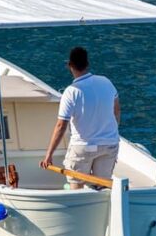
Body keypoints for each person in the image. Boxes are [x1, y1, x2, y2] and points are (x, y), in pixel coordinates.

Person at [40, 47, 121, 189]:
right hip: (109, 144)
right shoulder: (106, 82)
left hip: (83, 146)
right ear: (87, 64)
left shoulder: (71, 92)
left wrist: (49, 155)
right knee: (103, 187)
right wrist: (110, 133)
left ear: (69, 65)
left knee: (76, 187)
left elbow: (61, 126)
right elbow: (116, 111)